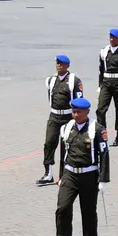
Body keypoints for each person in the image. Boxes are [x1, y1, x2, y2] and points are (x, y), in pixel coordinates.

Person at [51, 96, 109, 236]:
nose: (75, 115)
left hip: (89, 175)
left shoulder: (97, 129)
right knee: (62, 207)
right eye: (73, 112)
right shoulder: (67, 128)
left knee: (89, 212)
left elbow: (104, 154)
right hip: (70, 174)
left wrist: (104, 180)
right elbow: (64, 153)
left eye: (79, 112)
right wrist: (61, 175)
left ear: (87, 112)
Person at [38, 55, 85, 186]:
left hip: (68, 116)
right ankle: (48, 173)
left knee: (66, 145)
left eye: (61, 63)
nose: (58, 65)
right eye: (57, 63)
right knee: (49, 143)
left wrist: (77, 117)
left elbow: (79, 100)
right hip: (54, 115)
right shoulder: (51, 80)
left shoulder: (74, 81)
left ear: (67, 66)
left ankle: (64, 175)